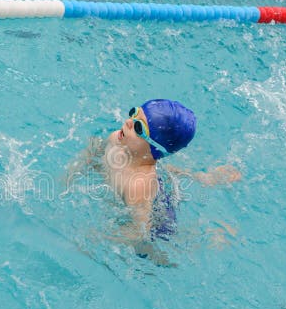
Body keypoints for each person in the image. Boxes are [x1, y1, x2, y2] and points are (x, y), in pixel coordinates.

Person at [67, 99, 241, 260]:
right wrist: (71, 176)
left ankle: (216, 234)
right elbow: (93, 152)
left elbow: (138, 232)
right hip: (138, 178)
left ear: (154, 149)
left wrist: (95, 238)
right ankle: (204, 177)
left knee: (160, 254)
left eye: (138, 128)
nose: (128, 122)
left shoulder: (139, 185)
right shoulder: (116, 138)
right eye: (134, 114)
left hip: (156, 217)